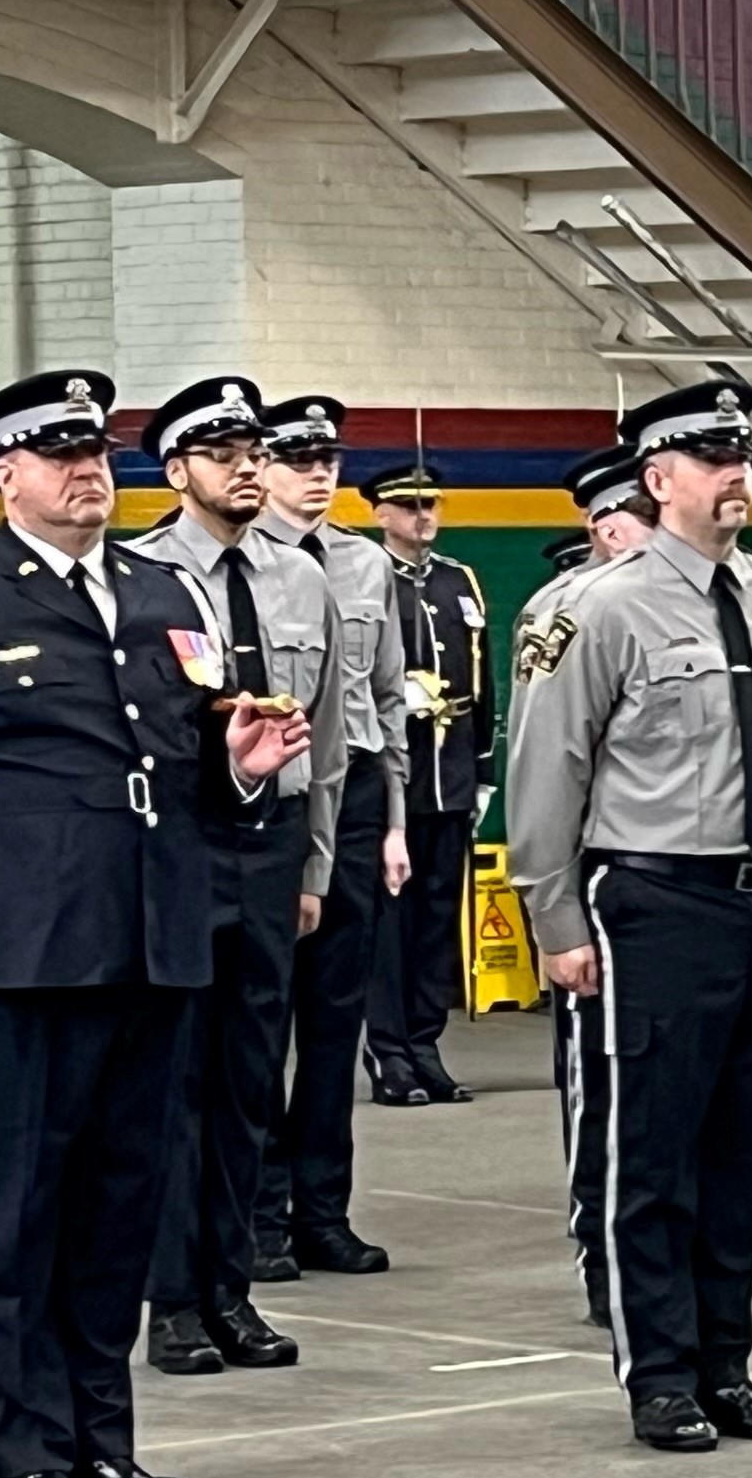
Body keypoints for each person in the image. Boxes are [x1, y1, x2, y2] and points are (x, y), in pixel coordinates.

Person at [0, 368, 307, 1478]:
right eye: (57, 454)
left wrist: (244, 770)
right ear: (7, 477)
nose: (85, 470)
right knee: (16, 1214)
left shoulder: (163, 598)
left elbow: (192, 775)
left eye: (96, 451)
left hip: (154, 946)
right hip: (22, 956)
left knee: (118, 1210)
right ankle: (28, 1456)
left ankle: (105, 1442)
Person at [508, 379, 752, 1454]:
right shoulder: (593, 608)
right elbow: (546, 772)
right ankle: (660, 1375)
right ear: (659, 480)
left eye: (741, 456)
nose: (735, 475)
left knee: (746, 1150)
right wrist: (555, 920)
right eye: (709, 459)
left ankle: (728, 1363)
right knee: (649, 1150)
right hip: (652, 900)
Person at [123, 379, 340, 1377]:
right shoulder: (142, 579)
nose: (246, 467)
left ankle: (232, 1289)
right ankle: (171, 1298)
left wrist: (314, 863)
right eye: (221, 452)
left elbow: (329, 738)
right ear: (176, 472)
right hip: (184, 842)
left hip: (272, 843)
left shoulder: (302, 578)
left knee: (252, 1076)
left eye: (254, 450)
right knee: (176, 1083)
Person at [250, 395, 410, 1279]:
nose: (319, 474)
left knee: (334, 1021)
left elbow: (386, 703)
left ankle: (323, 1209)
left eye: (329, 460)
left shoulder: (363, 565)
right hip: (268, 806)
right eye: (299, 459)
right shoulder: (248, 564)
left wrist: (391, 821)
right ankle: (260, 1213)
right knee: (261, 1019)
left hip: (349, 807)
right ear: (263, 468)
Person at [511, 451, 657, 1326]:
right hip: (612, 883)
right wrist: (557, 915)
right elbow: (545, 776)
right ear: (608, 529)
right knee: (604, 1093)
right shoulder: (567, 613)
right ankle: (607, 1258)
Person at [363, 454, 490, 1108]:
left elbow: (482, 680)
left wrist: (485, 771)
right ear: (381, 514)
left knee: (440, 918)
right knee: (392, 921)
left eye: (432, 504)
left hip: (452, 774)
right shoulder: (367, 578)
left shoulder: (459, 581)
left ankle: (424, 1042)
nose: (424, 515)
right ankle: (388, 1050)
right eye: (411, 506)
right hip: (397, 777)